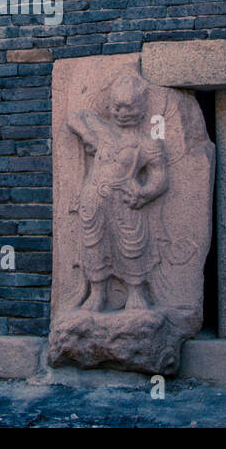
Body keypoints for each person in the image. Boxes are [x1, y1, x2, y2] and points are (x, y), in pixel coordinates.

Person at [67, 73, 168, 312]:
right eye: (117, 107)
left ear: (142, 109)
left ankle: (136, 293)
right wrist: (90, 136)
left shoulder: (148, 143)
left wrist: (144, 193)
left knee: (132, 246)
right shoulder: (103, 130)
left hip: (125, 201)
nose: (122, 113)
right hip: (94, 200)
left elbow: (160, 178)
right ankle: (98, 293)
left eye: (129, 108)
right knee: (94, 245)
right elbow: (74, 117)